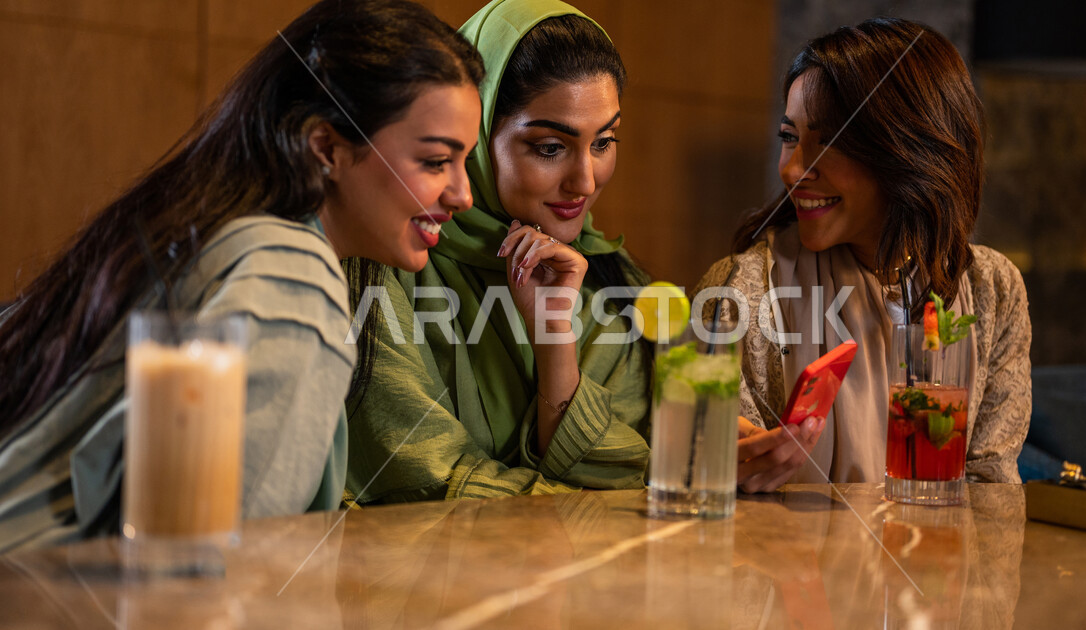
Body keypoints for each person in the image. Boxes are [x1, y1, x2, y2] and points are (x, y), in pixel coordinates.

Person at [0, 0, 484, 551]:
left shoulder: (212, 224)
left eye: (465, 160)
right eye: (435, 161)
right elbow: (197, 573)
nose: (462, 194)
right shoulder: (292, 284)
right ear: (327, 147)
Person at [695, 18, 1031, 490]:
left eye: (829, 141)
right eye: (790, 137)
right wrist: (725, 464)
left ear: (910, 150)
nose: (793, 170)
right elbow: (712, 472)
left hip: (945, 562)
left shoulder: (994, 290)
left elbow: (991, 493)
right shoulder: (746, 287)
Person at [345, 0, 652, 503]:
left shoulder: (613, 283)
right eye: (550, 148)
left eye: (604, 142)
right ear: (478, 136)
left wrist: (557, 347)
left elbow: (622, 478)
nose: (585, 180)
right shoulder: (383, 264)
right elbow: (422, 481)